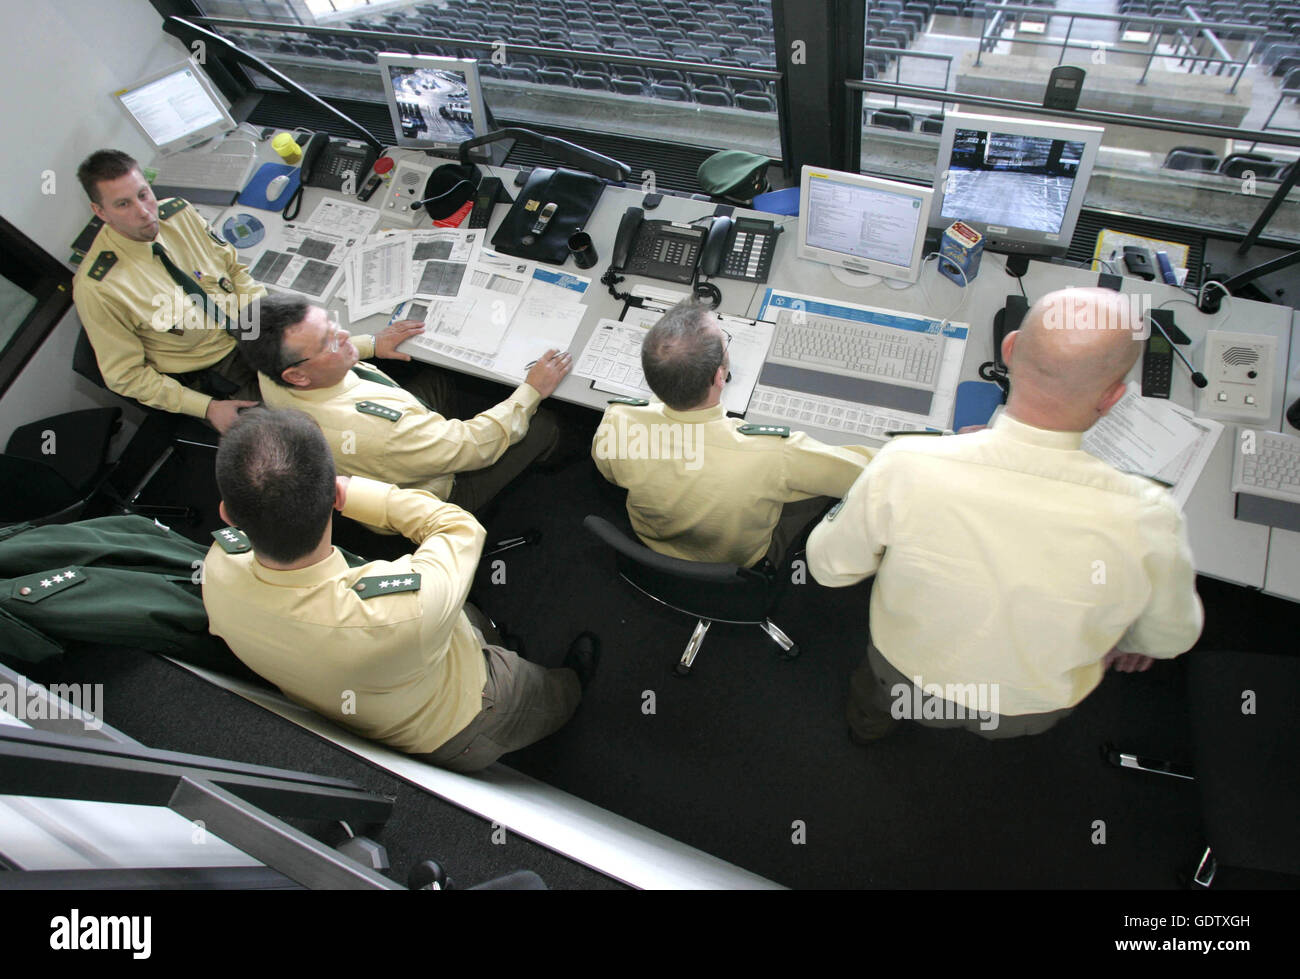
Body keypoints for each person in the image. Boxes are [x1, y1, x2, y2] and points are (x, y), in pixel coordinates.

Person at [807, 287, 1204, 742]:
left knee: (875, 703)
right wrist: (1129, 641)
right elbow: (1170, 638)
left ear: (1010, 348)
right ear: (1112, 397)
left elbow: (828, 568)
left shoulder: (907, 463)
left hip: (907, 678)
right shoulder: (1149, 515)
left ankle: (865, 731)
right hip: (1028, 705)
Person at [202, 407, 597, 773]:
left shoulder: (217, 571)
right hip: (467, 713)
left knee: (466, 619)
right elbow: (457, 526)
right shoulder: (402, 609)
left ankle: (497, 644)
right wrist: (355, 493)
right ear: (333, 497)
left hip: (374, 692)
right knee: (546, 695)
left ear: (226, 514)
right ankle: (573, 689)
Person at [592, 299, 875, 568]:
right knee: (814, 493)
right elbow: (874, 477)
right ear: (719, 377)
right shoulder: (775, 453)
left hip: (652, 542)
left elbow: (611, 474)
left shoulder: (617, 420)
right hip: (736, 561)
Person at [236, 293, 569, 514]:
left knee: (440, 380)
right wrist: (531, 390)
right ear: (297, 376)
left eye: (331, 325)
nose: (343, 336)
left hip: (396, 445)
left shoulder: (270, 367)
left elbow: (331, 348)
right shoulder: (382, 432)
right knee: (543, 423)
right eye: (328, 342)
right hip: (438, 488)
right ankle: (561, 458)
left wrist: (371, 344)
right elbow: (472, 447)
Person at [73, 149, 264, 433]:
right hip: (213, 373)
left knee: (332, 377)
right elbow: (126, 376)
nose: (144, 212)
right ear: (100, 212)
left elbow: (234, 271)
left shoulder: (180, 214)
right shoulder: (98, 288)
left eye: (144, 194)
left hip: (252, 329)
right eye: (123, 204)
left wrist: (264, 321)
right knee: (299, 440)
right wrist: (207, 407)